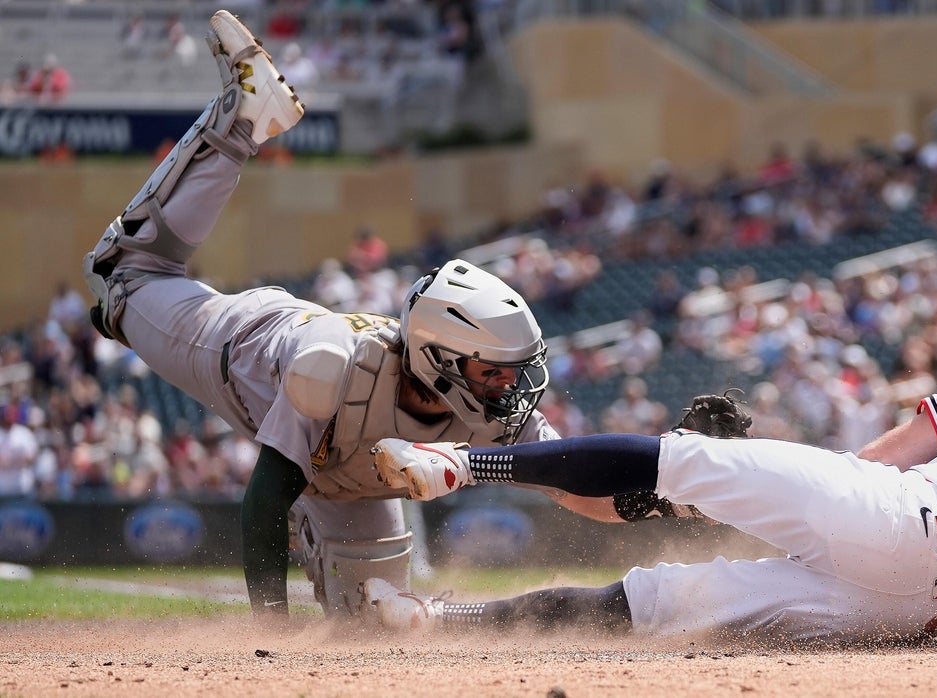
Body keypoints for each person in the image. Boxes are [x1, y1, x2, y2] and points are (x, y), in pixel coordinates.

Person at [80, 10, 610, 620]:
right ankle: (244, 117)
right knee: (121, 275)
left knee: (373, 626)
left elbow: (579, 483)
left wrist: (675, 486)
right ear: (439, 359)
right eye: (494, 371)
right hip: (238, 350)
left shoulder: (494, 411)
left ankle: (128, 316)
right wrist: (269, 635)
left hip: (344, 474)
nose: (511, 386)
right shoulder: (331, 370)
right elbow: (264, 500)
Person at [363, 307, 937, 646]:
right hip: (901, 616)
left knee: (685, 456)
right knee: (658, 603)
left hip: (894, 520)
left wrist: (777, 485)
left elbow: (902, 449)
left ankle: (458, 463)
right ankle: (439, 622)